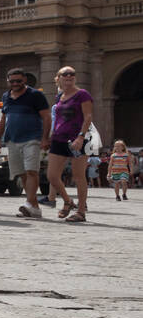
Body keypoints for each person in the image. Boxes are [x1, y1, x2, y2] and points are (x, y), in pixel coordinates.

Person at [0, 67, 51, 218]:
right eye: (12, 81)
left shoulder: (36, 95)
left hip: (32, 138)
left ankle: (28, 203)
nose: (15, 83)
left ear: (25, 80)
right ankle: (35, 208)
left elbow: (46, 117)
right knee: (22, 174)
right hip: (12, 139)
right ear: (8, 81)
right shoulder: (6, 96)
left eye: (18, 81)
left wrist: (45, 138)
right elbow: (4, 118)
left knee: (32, 171)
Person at [47, 66, 95, 223]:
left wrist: (81, 137)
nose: (69, 76)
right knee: (52, 176)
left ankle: (81, 211)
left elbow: (88, 117)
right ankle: (68, 201)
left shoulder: (82, 94)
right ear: (58, 78)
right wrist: (50, 136)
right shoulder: (59, 97)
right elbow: (57, 118)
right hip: (59, 139)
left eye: (72, 74)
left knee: (78, 175)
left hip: (78, 139)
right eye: (65, 74)